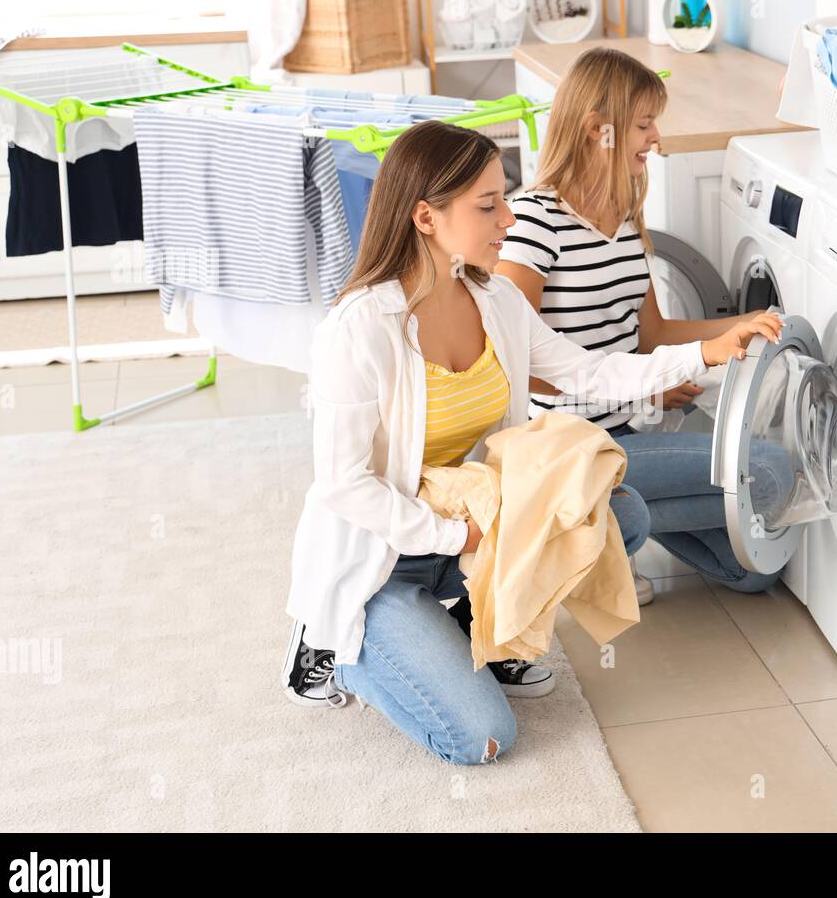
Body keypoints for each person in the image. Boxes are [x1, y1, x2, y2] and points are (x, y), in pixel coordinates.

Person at [281, 119, 784, 765]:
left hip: (482, 525)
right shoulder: (359, 330)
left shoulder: (492, 300)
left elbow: (588, 371)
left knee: (617, 510)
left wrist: (704, 354)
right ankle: (332, 645)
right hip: (384, 557)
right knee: (481, 739)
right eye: (487, 205)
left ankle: (475, 624)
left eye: (505, 198)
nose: (508, 218)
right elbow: (344, 485)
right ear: (425, 217)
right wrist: (459, 539)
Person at [496, 47, 794, 602]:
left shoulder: (626, 221)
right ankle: (577, 523)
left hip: (625, 433)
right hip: (564, 448)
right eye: (643, 124)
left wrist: (741, 323)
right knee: (770, 471)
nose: (657, 138)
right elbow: (514, 366)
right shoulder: (536, 221)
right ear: (596, 130)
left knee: (754, 570)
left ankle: (598, 531)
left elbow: (652, 335)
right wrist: (650, 380)